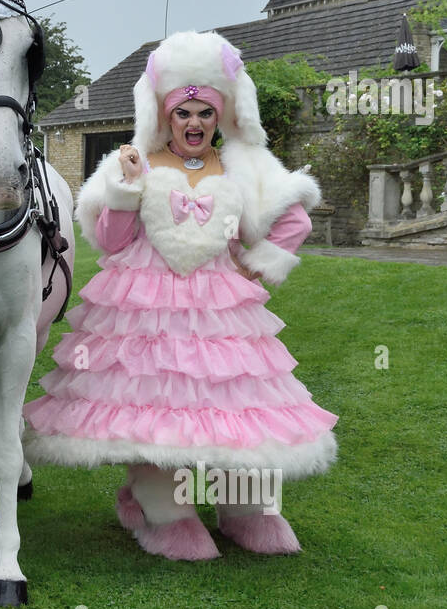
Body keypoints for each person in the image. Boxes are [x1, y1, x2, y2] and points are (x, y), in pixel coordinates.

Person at [23, 30, 338, 561]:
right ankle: (160, 506)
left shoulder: (244, 167)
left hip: (219, 311)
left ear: (220, 117)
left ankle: (244, 508)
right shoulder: (135, 163)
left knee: (232, 400)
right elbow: (111, 242)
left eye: (205, 114)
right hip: (145, 310)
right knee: (157, 402)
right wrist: (124, 188)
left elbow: (295, 216)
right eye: (184, 114)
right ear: (167, 117)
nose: (194, 124)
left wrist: (254, 265)